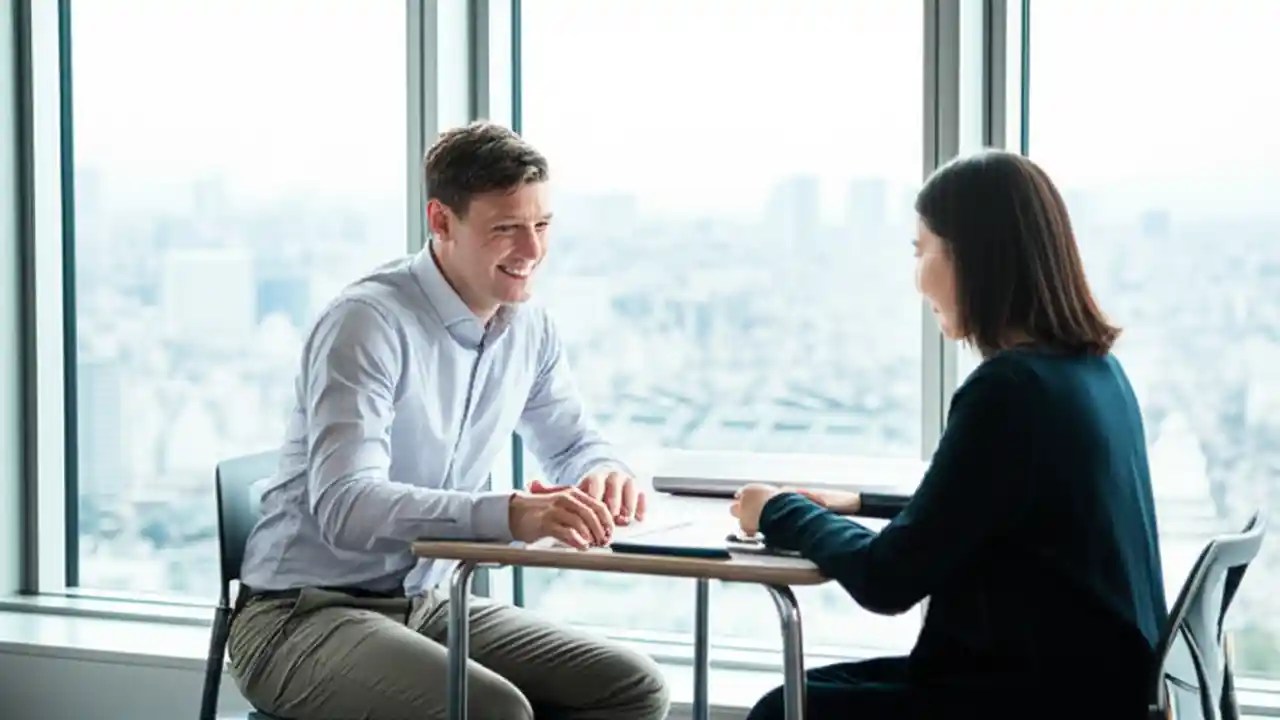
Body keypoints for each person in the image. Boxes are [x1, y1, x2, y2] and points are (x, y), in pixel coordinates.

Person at [228, 122, 669, 720]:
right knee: (492, 712)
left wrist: (601, 472)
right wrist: (511, 514)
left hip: (427, 603)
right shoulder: (368, 323)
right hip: (300, 617)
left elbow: (571, 441)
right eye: (506, 229)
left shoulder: (528, 328)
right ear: (441, 222)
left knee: (632, 687)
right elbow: (345, 506)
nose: (533, 251)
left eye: (541, 226)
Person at [731, 150, 1167, 718]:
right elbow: (986, 508)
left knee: (782, 710)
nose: (918, 280)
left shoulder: (1009, 389)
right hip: (1090, 687)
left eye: (922, 250)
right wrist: (860, 504)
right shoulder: (1095, 373)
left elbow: (888, 579)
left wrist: (778, 510)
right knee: (793, 698)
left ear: (974, 257)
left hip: (1027, 696)